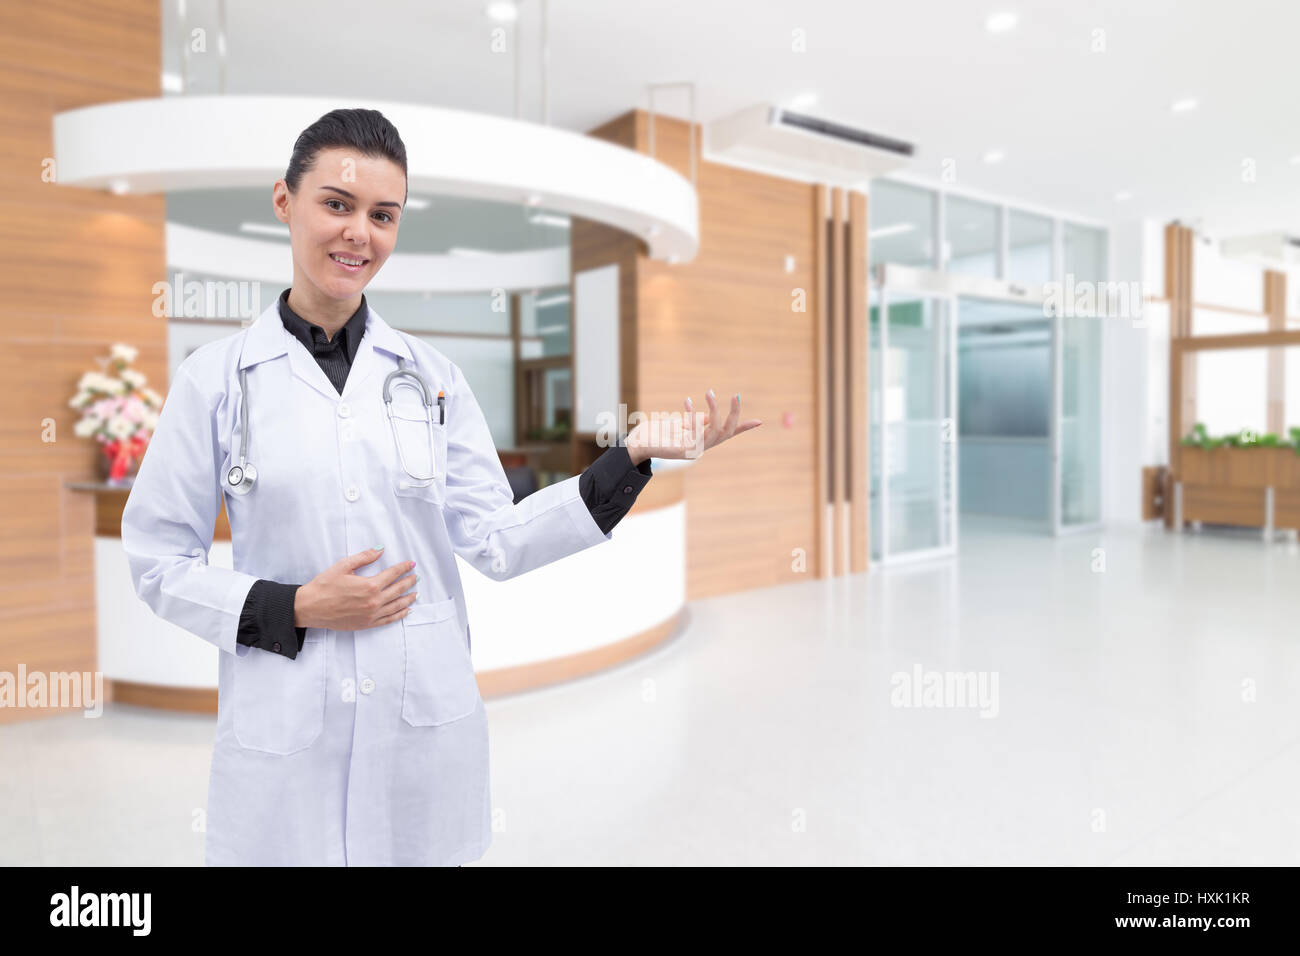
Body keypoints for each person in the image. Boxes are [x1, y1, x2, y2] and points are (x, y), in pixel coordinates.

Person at [121, 108, 761, 866]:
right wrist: (291, 605)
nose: (360, 232)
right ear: (284, 202)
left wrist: (633, 456)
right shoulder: (215, 382)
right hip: (287, 722)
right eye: (337, 204)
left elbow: (497, 539)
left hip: (420, 716)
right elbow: (159, 559)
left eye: (382, 215)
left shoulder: (433, 381)